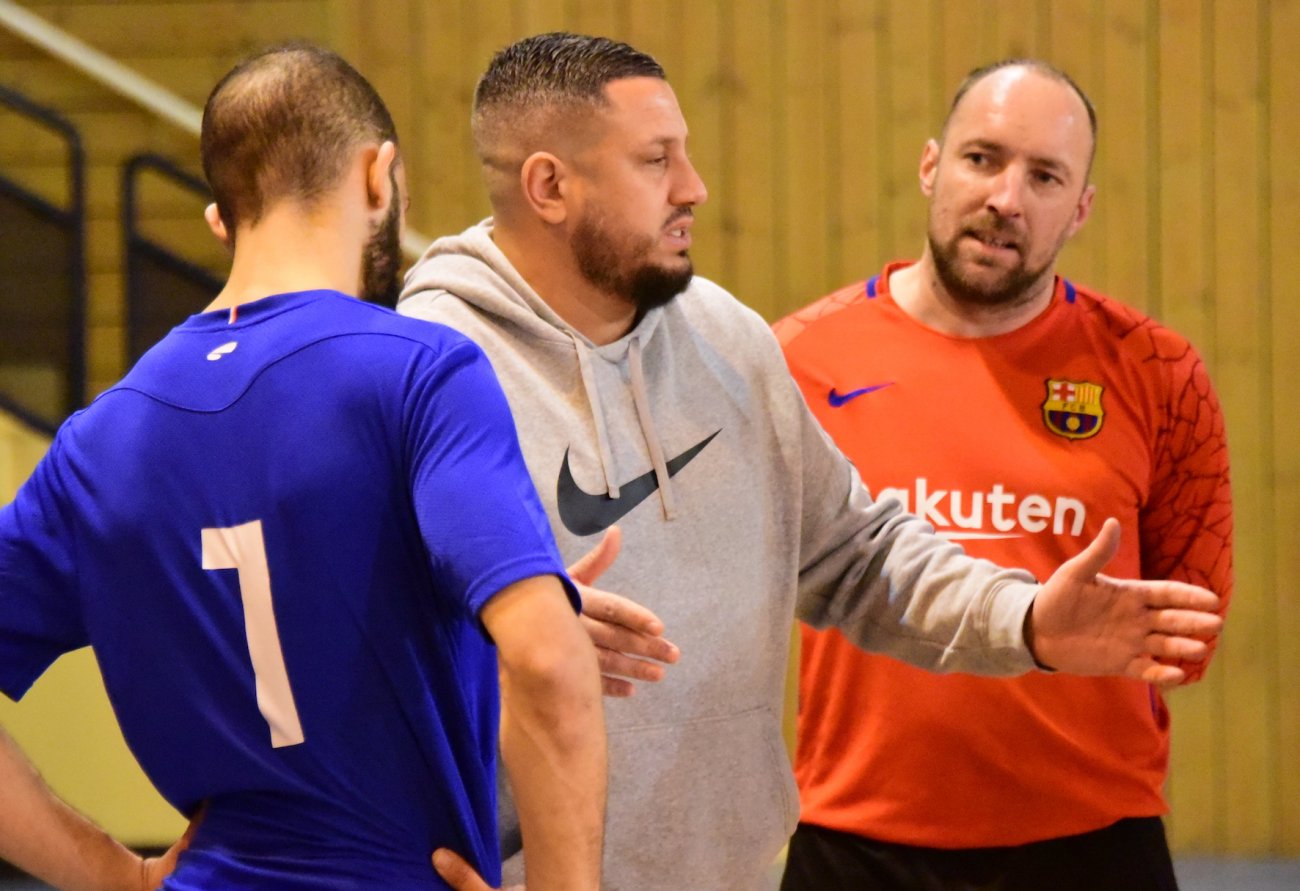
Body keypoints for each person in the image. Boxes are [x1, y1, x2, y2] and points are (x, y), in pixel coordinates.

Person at [397, 33, 1223, 891]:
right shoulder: (421, 372)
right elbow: (335, 647)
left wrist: (1024, 621)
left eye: (685, 152)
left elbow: (856, 553)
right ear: (549, 187)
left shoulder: (729, 341)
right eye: (656, 160)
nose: (694, 187)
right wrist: (492, 645)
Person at [0, 43, 605, 891]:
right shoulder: (423, 372)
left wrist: (110, 873)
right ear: (377, 177)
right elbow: (547, 663)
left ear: (221, 219)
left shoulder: (97, 442)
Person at [775, 60, 1232, 891]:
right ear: (929, 166)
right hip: (856, 842)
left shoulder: (1159, 371)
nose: (1006, 198)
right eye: (981, 158)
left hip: (1091, 844)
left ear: (1082, 207)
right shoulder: (793, 360)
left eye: (1045, 175)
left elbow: (1183, 634)